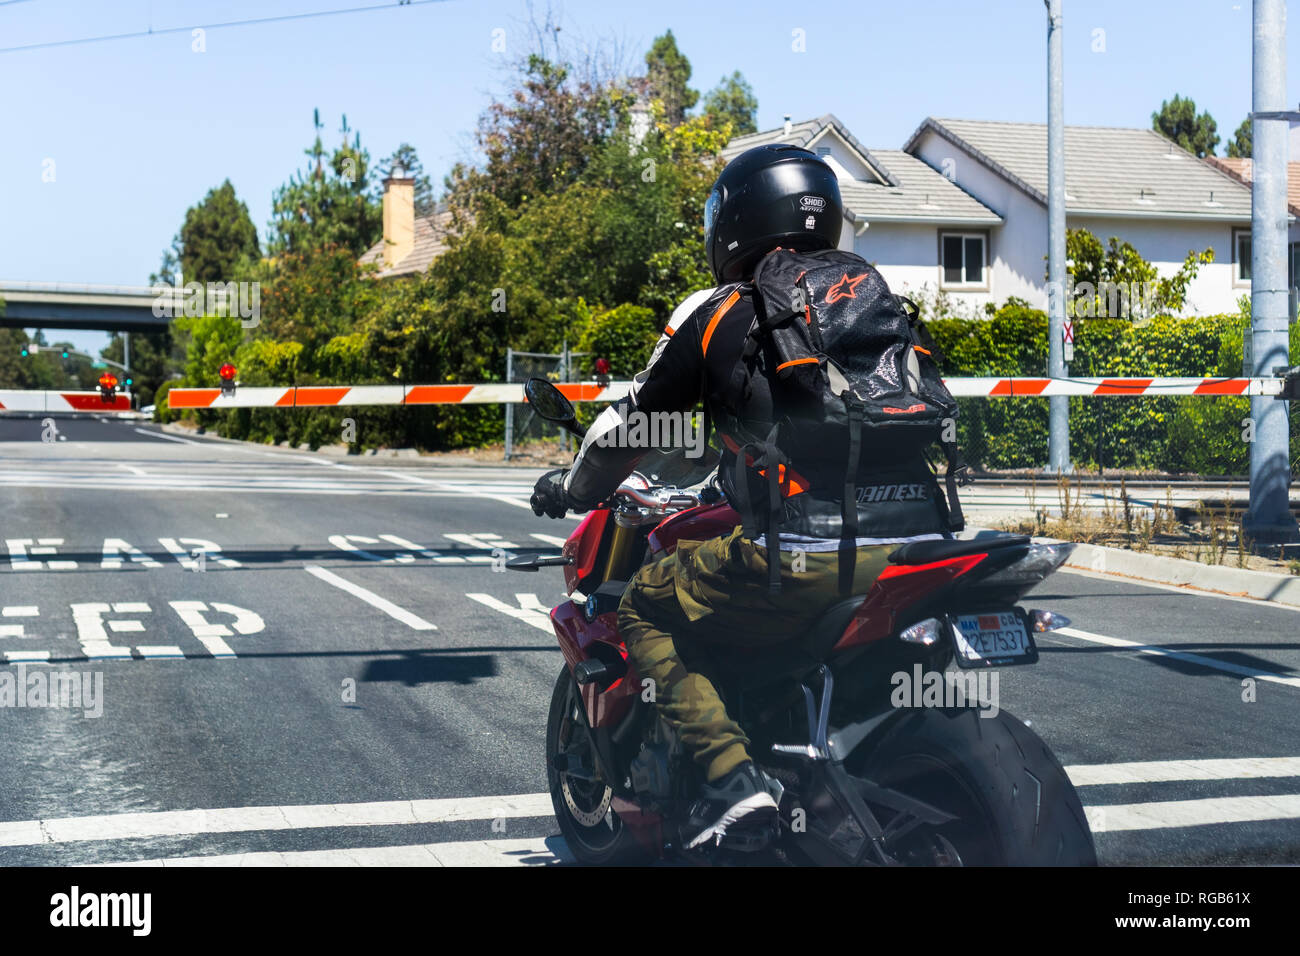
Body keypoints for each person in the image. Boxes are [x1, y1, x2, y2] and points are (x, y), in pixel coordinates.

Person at [530, 144, 951, 848]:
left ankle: (734, 782)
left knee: (645, 607)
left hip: (810, 548)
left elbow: (629, 425)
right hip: (924, 534)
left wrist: (575, 487)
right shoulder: (871, 294)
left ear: (735, 221)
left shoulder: (725, 308)